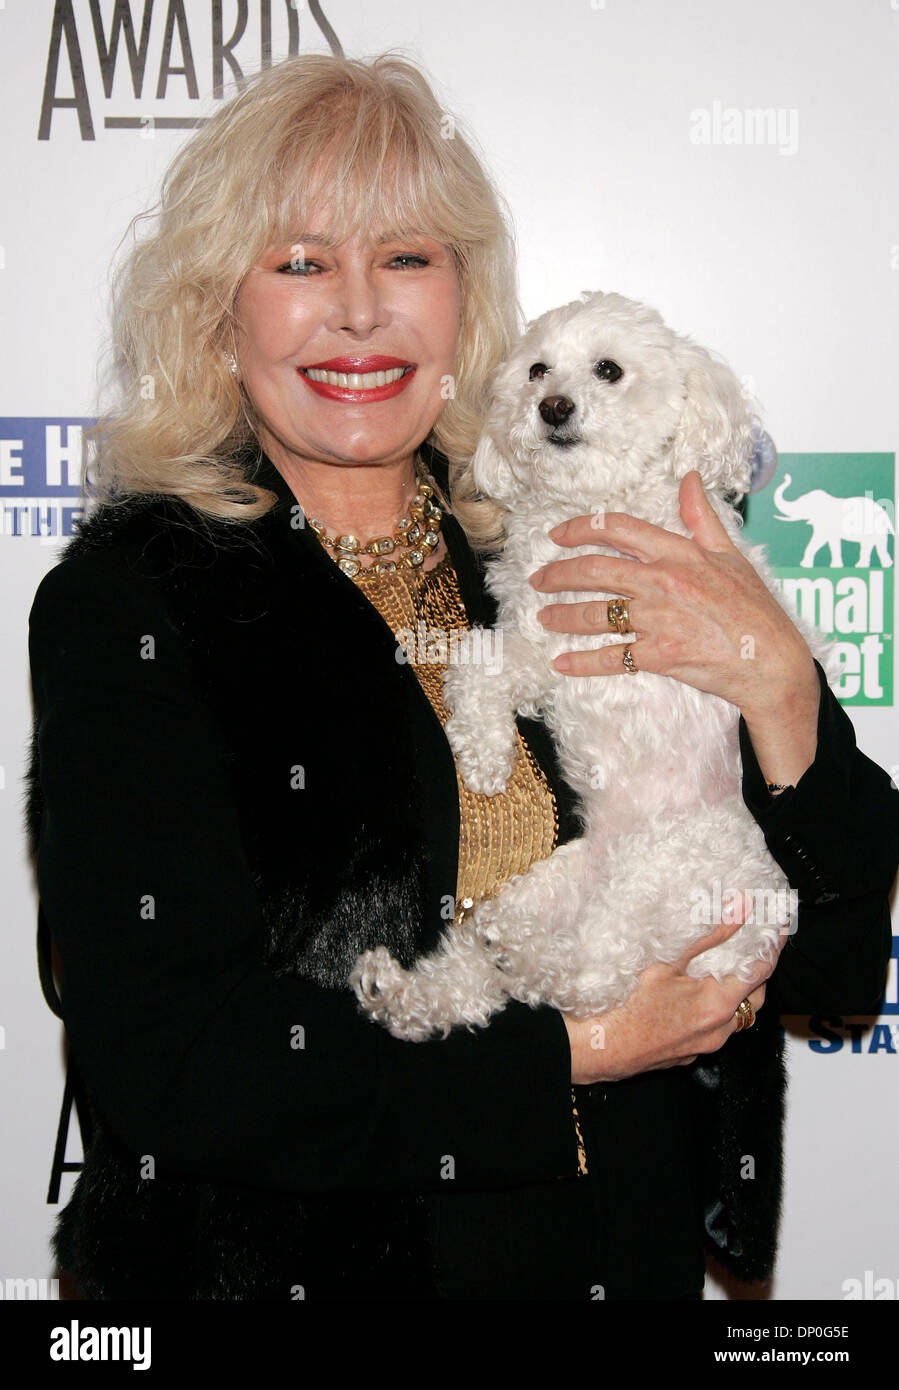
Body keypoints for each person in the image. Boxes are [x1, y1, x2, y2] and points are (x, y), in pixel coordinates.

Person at [25, 52, 897, 1302]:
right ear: (219, 314)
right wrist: (575, 1051)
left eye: (405, 257)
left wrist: (780, 687)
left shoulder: (565, 536)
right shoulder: (136, 601)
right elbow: (171, 1054)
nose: (359, 312)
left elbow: (827, 964)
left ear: (462, 300)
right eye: (300, 262)